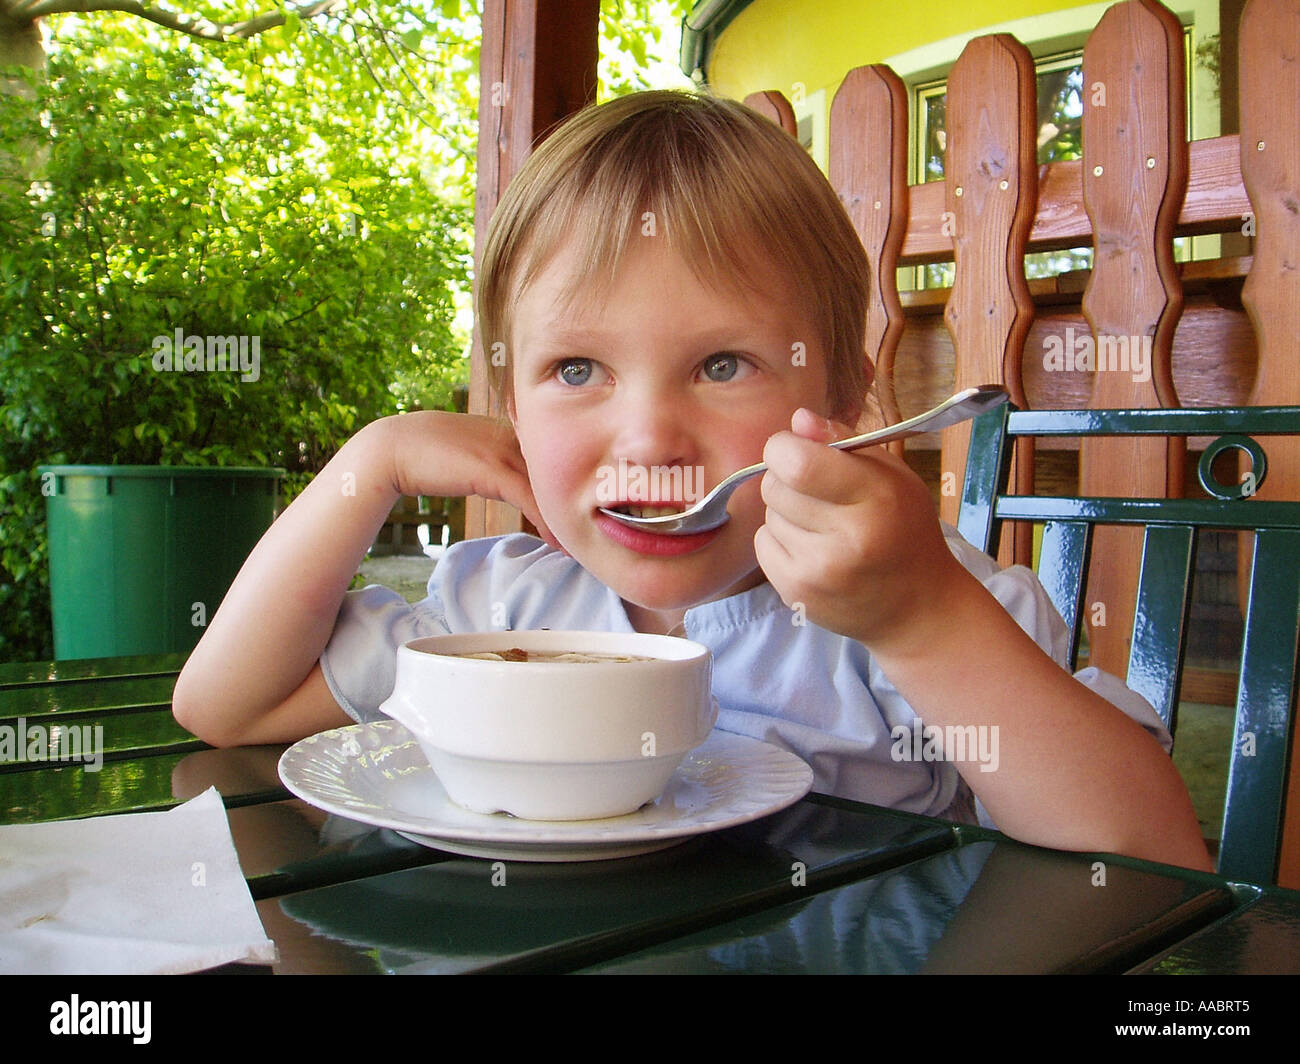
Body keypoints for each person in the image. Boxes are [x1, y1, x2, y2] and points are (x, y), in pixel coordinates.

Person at [172, 89, 1211, 871]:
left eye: (723, 365)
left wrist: (925, 620)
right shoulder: (503, 607)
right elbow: (227, 705)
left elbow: (1150, 856)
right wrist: (372, 462)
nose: (649, 435)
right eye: (576, 369)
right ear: (508, 401)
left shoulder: (915, 608)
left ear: (842, 392)